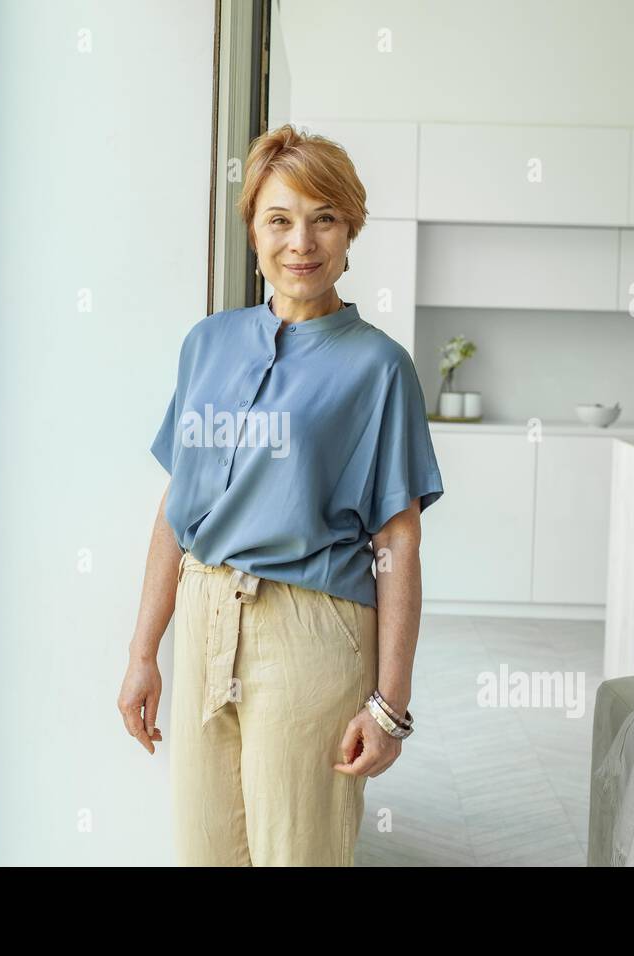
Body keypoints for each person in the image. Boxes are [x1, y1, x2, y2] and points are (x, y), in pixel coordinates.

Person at [117, 124, 444, 866]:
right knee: (206, 853)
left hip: (311, 631)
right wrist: (144, 652)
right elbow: (178, 508)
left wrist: (390, 706)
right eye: (280, 219)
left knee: (299, 854)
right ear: (254, 232)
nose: (302, 241)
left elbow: (397, 542)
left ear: (350, 231)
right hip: (204, 619)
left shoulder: (380, 368)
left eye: (324, 218)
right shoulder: (208, 343)